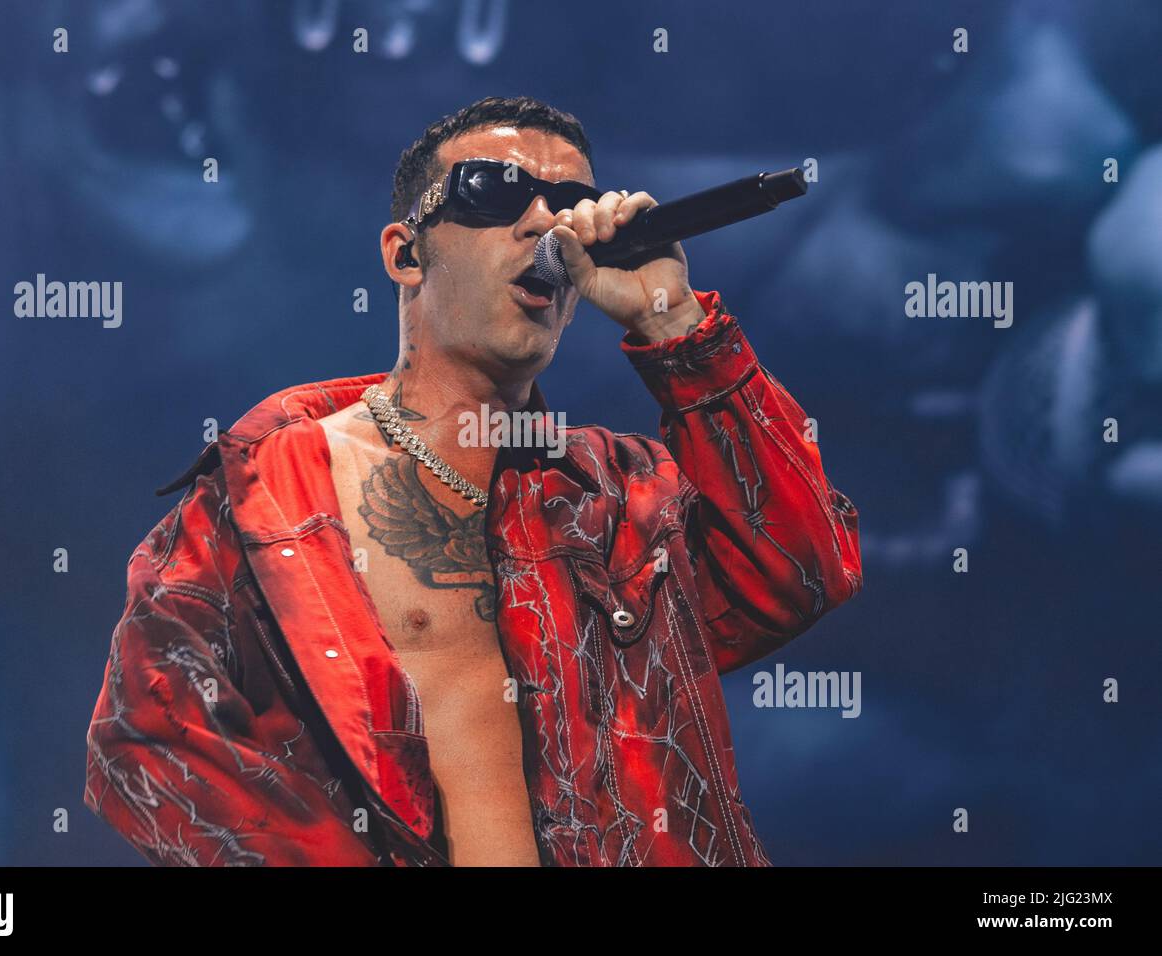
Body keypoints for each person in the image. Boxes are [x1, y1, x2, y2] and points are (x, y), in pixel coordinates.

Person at [83, 95, 862, 867]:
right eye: (494, 193)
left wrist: (672, 321)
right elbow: (149, 736)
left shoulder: (620, 496)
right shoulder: (270, 496)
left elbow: (802, 570)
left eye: (572, 205)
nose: (545, 225)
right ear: (405, 254)